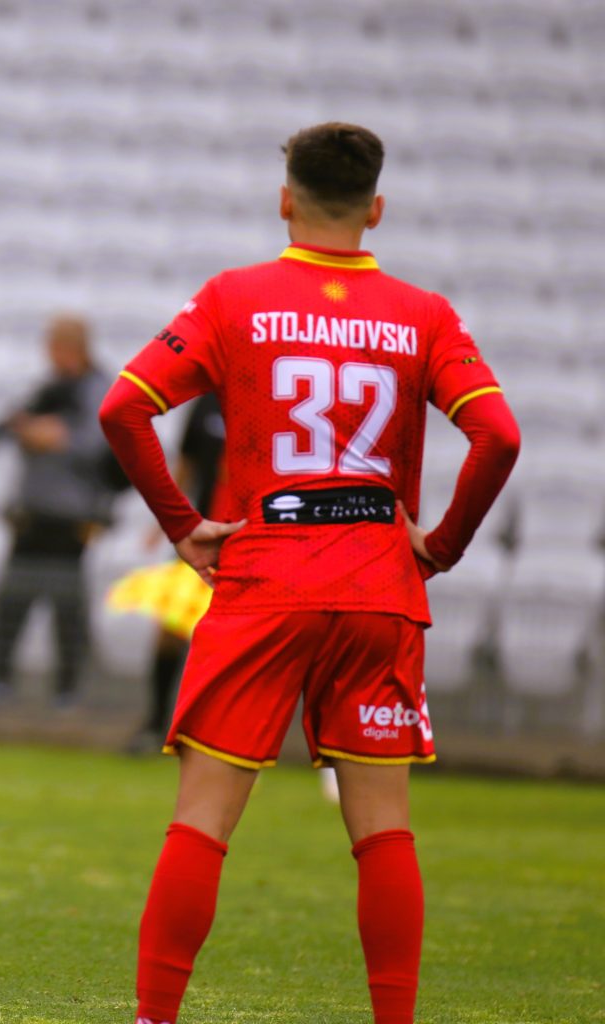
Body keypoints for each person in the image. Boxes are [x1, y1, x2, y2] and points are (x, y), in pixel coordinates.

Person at [98, 122, 520, 1024]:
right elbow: (500, 436)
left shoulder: (234, 298)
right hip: (377, 583)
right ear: (376, 208)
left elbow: (123, 408)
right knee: (383, 830)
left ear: (285, 199)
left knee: (202, 822)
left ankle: (154, 1019)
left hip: (264, 580)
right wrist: (437, 546)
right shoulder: (425, 314)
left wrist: (182, 526)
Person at [0, 315, 125, 708]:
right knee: (11, 603)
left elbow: (97, 444)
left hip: (72, 518)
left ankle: (67, 689)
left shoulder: (96, 390)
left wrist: (56, 437)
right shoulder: (47, 388)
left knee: (67, 608)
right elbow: (11, 428)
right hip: (31, 513)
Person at [125, 390, 226, 753]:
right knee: (170, 629)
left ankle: (224, 734)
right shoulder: (208, 401)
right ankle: (155, 724)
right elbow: (187, 462)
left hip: (250, 538)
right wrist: (167, 520)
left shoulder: (265, 392)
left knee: (234, 642)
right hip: (203, 537)